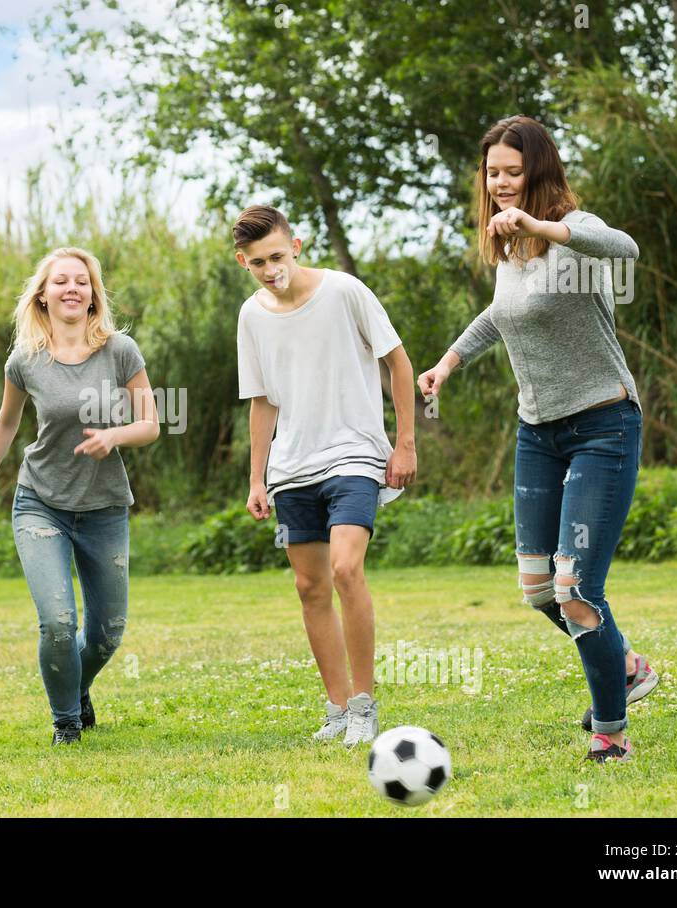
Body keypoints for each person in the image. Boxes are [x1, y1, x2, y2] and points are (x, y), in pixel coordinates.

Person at [418, 114, 657, 764]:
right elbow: (502, 314)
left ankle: (611, 733)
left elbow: (625, 247)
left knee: (576, 586)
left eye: (513, 172)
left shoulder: (572, 235)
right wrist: (448, 363)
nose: (500, 183)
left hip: (603, 426)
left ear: (539, 173)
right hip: (538, 433)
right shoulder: (506, 250)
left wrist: (538, 226)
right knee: (539, 590)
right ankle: (626, 666)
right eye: (492, 172)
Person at [234, 204, 416, 748]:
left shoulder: (344, 292)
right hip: (292, 469)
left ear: (297, 245)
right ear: (244, 262)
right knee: (310, 586)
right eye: (258, 262)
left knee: (344, 569)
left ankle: (364, 705)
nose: (271, 269)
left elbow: (398, 362)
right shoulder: (252, 316)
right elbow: (262, 402)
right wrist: (256, 478)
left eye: (277, 255)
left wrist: (404, 442)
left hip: (355, 455)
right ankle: (336, 709)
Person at [0, 247, 159, 745]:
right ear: (43, 295)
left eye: (82, 281)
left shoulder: (120, 352)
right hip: (40, 501)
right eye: (60, 282)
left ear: (93, 295)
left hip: (104, 507)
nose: (71, 288)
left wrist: (113, 437)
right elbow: (6, 424)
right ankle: (66, 723)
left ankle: (75, 688)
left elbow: (151, 424)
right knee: (56, 622)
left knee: (106, 634)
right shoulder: (24, 360)